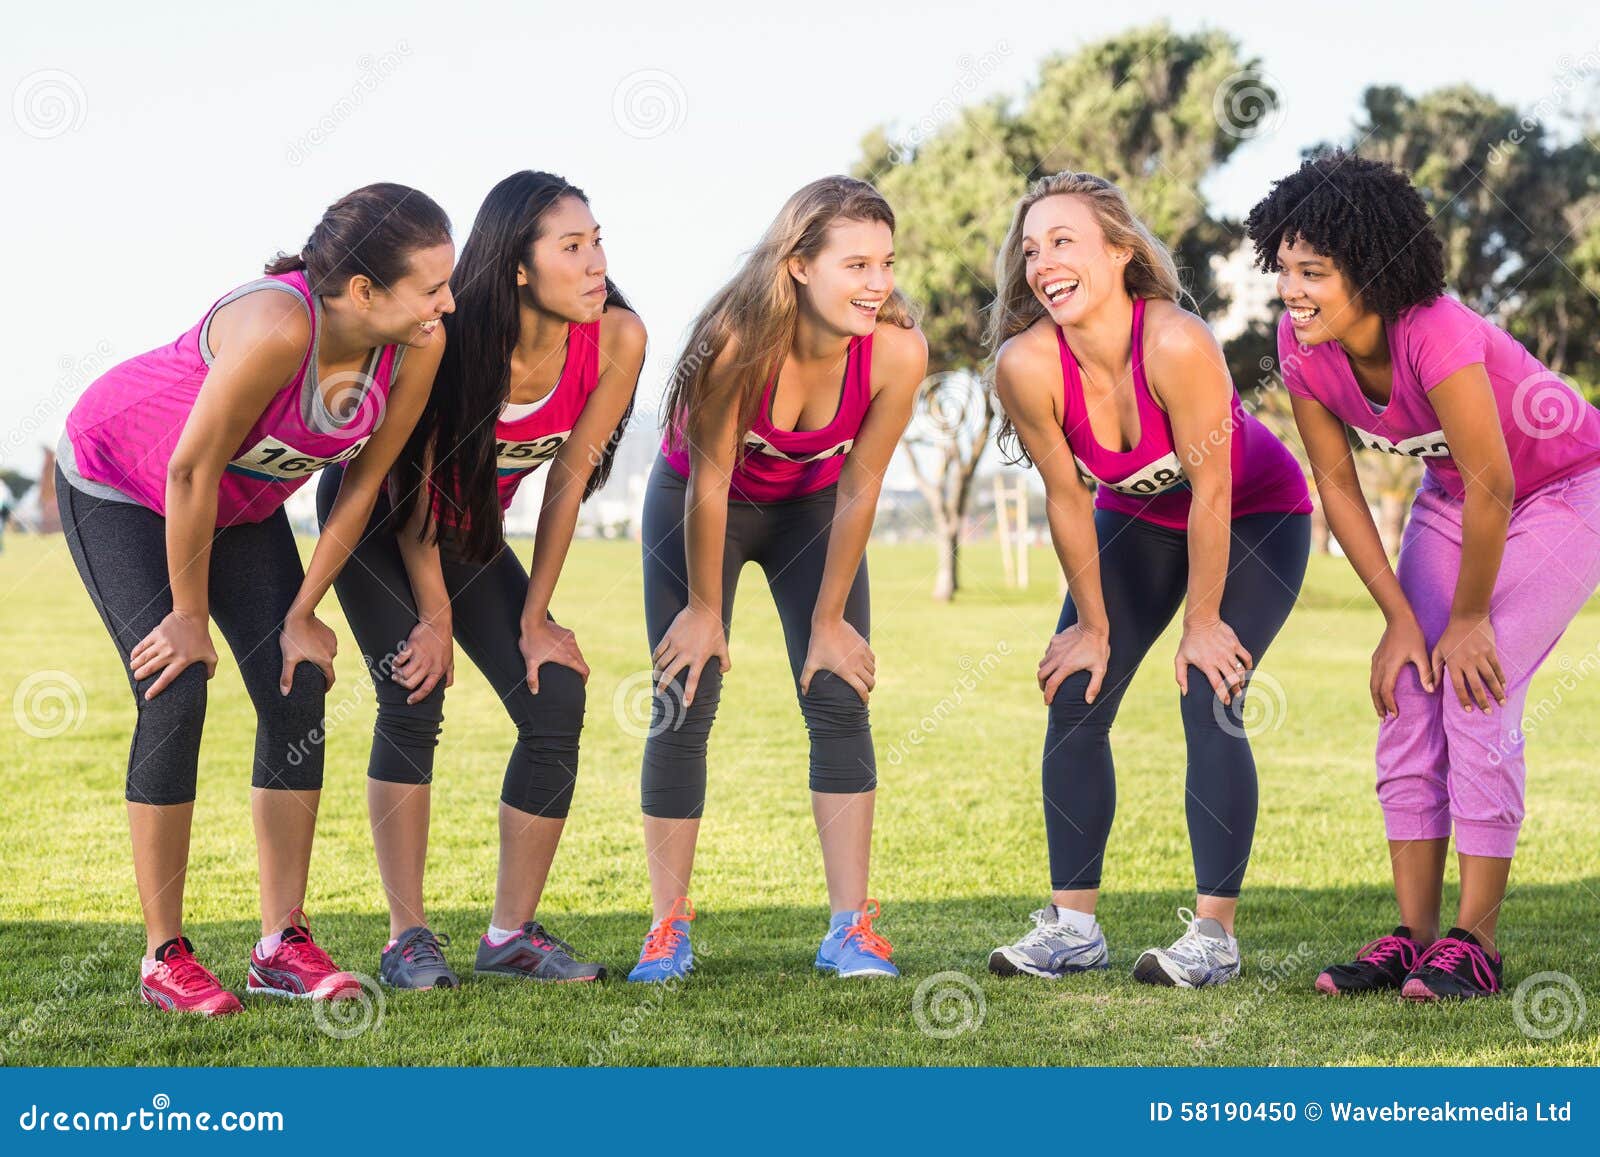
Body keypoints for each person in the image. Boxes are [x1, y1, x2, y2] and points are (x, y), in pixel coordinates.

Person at [58, 183, 455, 1014]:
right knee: (175, 686)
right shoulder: (280, 327)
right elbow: (189, 470)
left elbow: (365, 481)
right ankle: (164, 955)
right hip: (123, 485)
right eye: (432, 286)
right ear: (362, 293)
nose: (447, 302)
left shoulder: (418, 344)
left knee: (295, 680)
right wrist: (188, 618)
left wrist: (305, 612)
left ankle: (281, 944)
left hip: (239, 508)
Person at [1245, 150, 1600, 1000]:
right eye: (1285, 269)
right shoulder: (1303, 348)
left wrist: (1469, 617)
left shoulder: (1433, 328)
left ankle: (1475, 943)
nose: (1293, 291)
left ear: (1371, 270)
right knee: (1411, 681)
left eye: (1314, 273)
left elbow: (1497, 480)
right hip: (1455, 496)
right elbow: (1337, 486)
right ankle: (1415, 934)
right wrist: (1400, 615)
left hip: (1566, 489)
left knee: (1478, 685)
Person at [316, 171, 645, 988]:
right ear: (519, 267)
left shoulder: (617, 338)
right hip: (381, 519)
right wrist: (432, 620)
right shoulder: (452, 340)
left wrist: (538, 616)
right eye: (571, 246)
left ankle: (510, 935)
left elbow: (569, 481)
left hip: (469, 529)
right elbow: (414, 488)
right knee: (413, 686)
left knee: (555, 694)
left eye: (597, 239)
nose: (595, 260)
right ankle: (406, 938)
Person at [986, 171, 1312, 989]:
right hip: (1133, 523)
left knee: (1208, 689)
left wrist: (1203, 622)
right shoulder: (1026, 364)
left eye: (1064, 241)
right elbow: (1066, 497)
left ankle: (1214, 937)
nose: (1043, 262)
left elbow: (1214, 488)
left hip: (1254, 517)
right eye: (1031, 249)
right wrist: (1091, 625)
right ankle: (1072, 928)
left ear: (1121, 252)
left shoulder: (1174, 342)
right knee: (1076, 691)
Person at [629, 175, 928, 982]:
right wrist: (701, 608)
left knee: (837, 690)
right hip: (702, 502)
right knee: (683, 695)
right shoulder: (735, 340)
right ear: (798, 263)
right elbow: (711, 480)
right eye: (856, 265)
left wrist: (831, 620)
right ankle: (668, 927)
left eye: (886, 264)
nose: (878, 284)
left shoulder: (897, 352)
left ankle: (850, 928)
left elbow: (862, 483)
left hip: (810, 510)